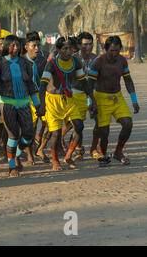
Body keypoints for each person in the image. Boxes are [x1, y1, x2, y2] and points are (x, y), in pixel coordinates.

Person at [38, 37, 97, 171]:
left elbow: (84, 82)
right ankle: (55, 160)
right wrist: (42, 105)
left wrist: (93, 100)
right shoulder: (51, 64)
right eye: (65, 48)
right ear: (58, 50)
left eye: (70, 48)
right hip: (53, 101)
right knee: (56, 134)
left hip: (69, 99)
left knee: (79, 125)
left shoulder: (75, 61)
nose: (68, 51)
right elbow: (42, 86)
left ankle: (68, 156)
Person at [0, 35, 38, 177]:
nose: (16, 48)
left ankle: (17, 153)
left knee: (28, 134)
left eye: (18, 45)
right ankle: (12, 167)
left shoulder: (24, 62)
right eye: (13, 45)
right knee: (12, 135)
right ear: (6, 46)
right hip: (7, 103)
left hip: (24, 103)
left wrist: (37, 104)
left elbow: (29, 83)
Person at [88, 36, 139, 166]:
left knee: (128, 123)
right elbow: (89, 84)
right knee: (104, 132)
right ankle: (103, 154)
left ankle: (118, 152)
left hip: (117, 97)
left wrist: (134, 100)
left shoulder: (122, 61)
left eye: (117, 50)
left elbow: (128, 80)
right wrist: (91, 104)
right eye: (111, 50)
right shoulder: (98, 62)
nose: (114, 54)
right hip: (100, 98)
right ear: (105, 49)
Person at [23, 31, 48, 164]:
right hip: (28, 97)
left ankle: (41, 148)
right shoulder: (21, 62)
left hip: (42, 95)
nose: (37, 48)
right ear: (27, 47)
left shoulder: (43, 60)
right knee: (30, 128)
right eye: (34, 46)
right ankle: (29, 154)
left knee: (49, 124)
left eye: (39, 45)